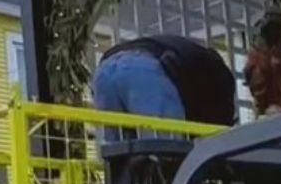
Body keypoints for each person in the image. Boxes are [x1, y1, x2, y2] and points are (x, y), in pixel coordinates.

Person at [91, 34, 238, 129]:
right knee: (167, 148)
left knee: (116, 154)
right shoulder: (220, 78)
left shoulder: (191, 57)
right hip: (144, 68)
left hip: (105, 69)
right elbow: (217, 130)